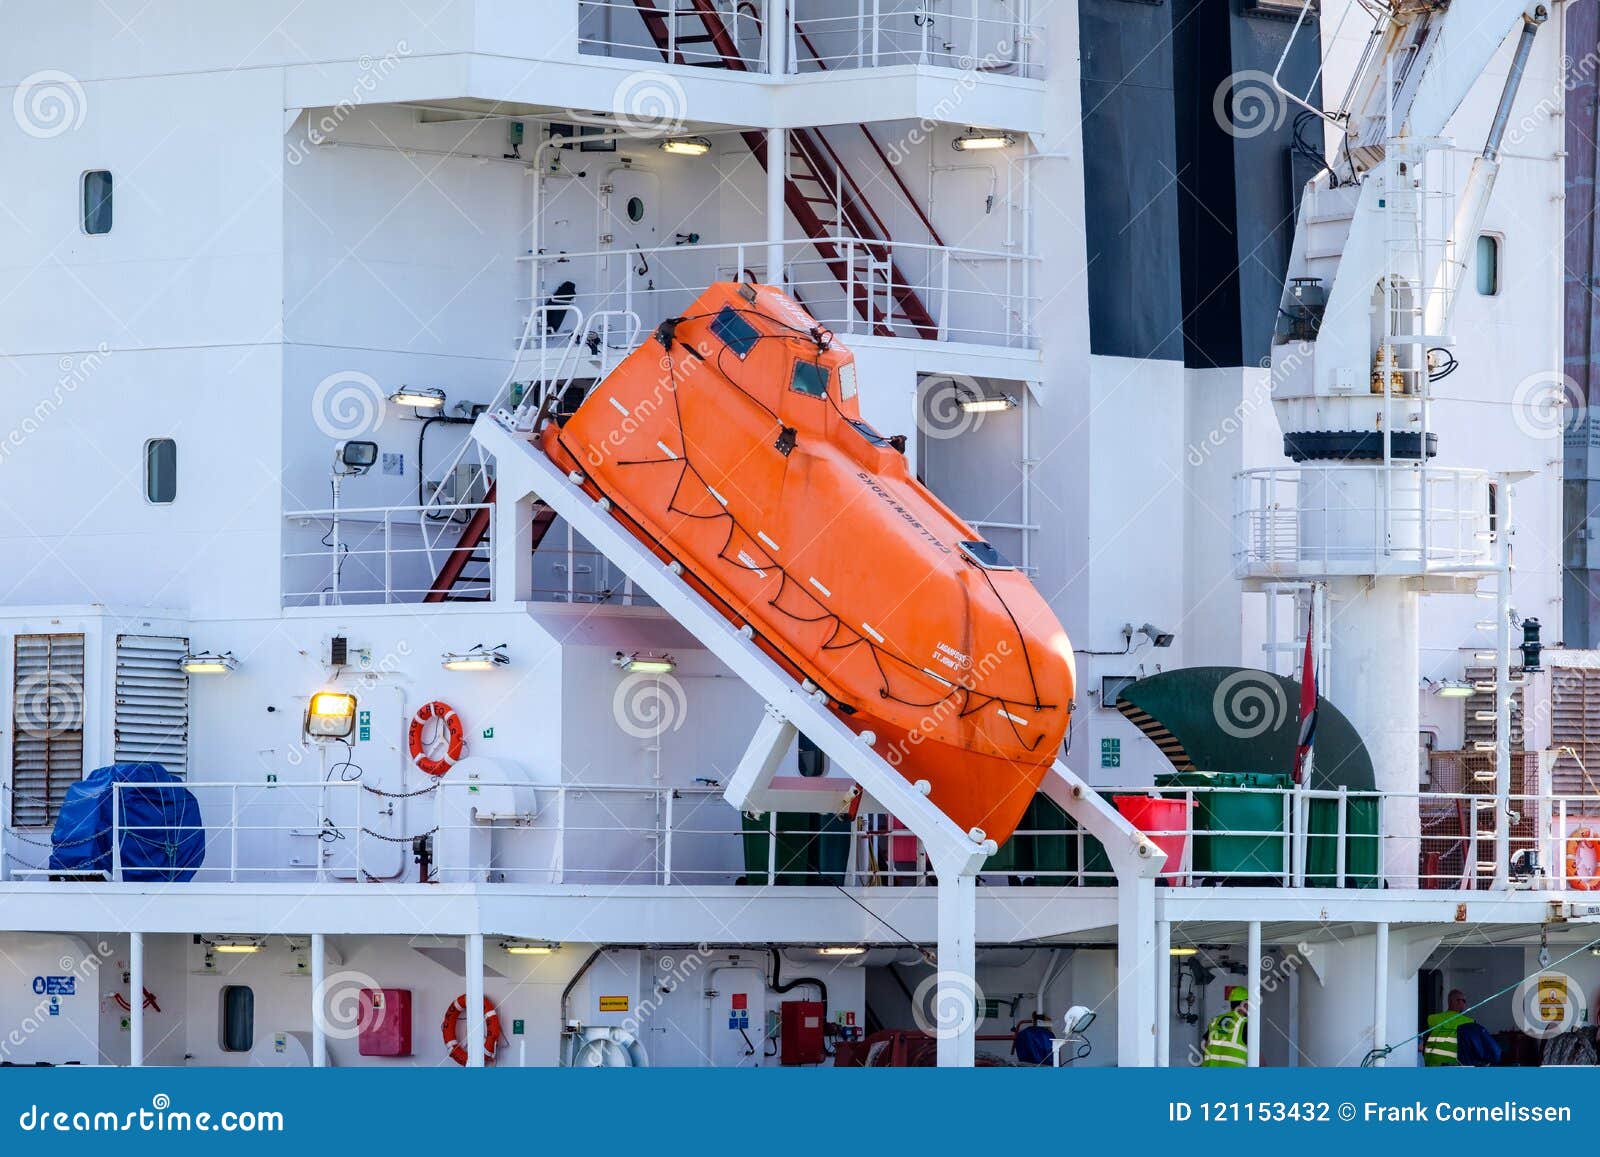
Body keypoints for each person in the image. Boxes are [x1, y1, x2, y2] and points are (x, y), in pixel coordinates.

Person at [1423, 989, 1501, 1067]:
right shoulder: (1470, 1022)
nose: (1464, 1004)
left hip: (1433, 1064)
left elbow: (1422, 1042)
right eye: (1463, 1001)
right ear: (1455, 1001)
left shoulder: (1432, 1018)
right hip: (1457, 1065)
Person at [1201, 986, 1249, 1067]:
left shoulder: (1216, 1020)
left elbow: (1205, 1045)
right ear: (1245, 1004)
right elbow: (1257, 1055)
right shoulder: (1245, 1023)